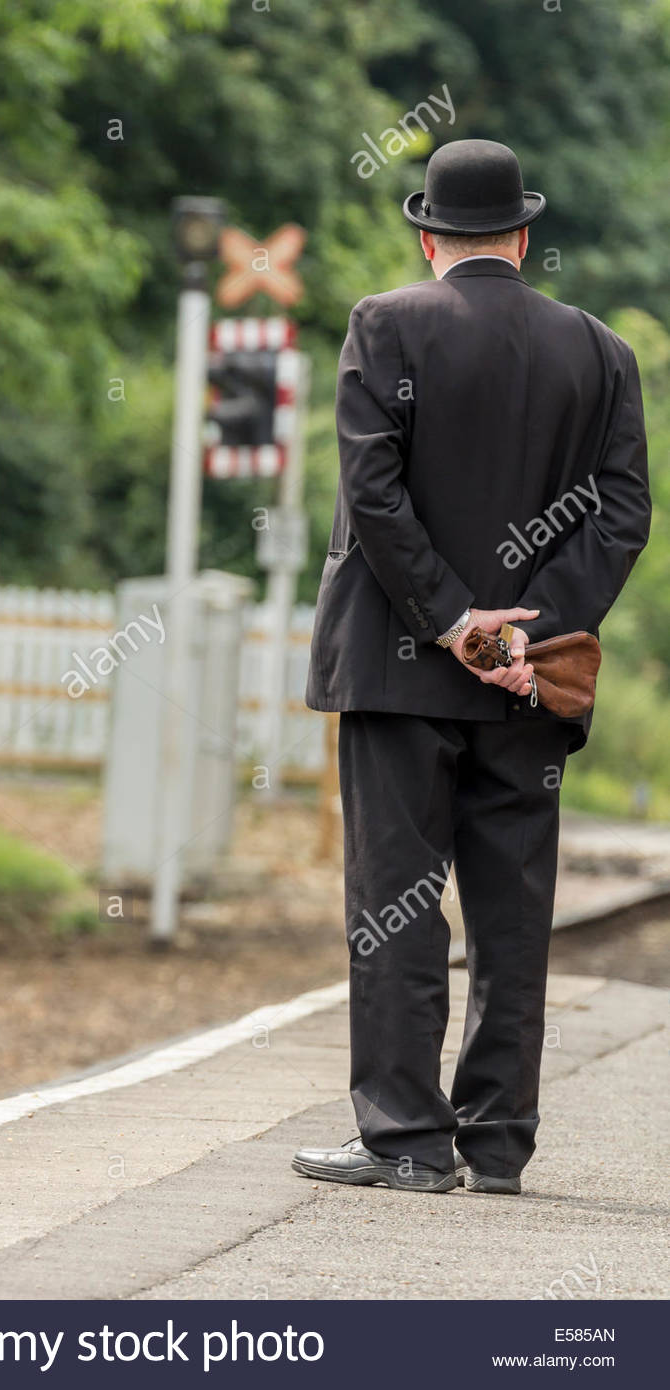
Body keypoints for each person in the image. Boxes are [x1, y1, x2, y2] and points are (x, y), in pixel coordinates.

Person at [293, 139, 651, 1195]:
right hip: (532, 682)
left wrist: (455, 623)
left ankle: (404, 1139)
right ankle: (496, 1141)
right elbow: (623, 512)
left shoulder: (385, 324)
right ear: (524, 237)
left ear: (427, 235)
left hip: (402, 671)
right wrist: (524, 632)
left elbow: (375, 493)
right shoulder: (601, 351)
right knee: (512, 907)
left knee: (398, 899)